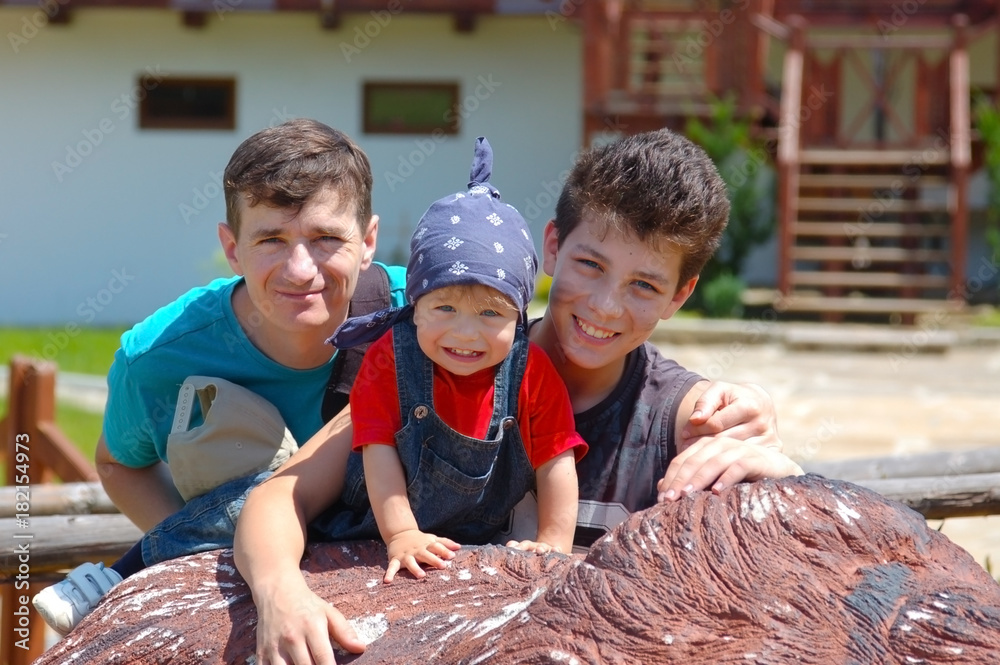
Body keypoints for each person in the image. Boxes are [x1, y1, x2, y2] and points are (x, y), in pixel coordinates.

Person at [233, 127, 801, 664]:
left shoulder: (687, 424)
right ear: (551, 247)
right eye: (590, 264)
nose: (605, 306)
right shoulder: (433, 365)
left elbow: (767, 590)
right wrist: (280, 590)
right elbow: (279, 497)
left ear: (681, 295)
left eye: (644, 285)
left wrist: (786, 477)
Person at [31, 118, 409, 636]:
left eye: (325, 238)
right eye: (272, 238)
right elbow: (119, 464)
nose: (300, 269)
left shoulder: (431, 320)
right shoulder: (158, 357)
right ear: (232, 248)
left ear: (368, 241)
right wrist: (209, 555)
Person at [314, 136, 588, 583]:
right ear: (415, 305)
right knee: (238, 508)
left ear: (518, 315)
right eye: (444, 309)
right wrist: (402, 533)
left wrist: (554, 541)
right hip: (373, 522)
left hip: (481, 536)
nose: (465, 332)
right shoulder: (391, 358)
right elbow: (377, 450)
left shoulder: (530, 371)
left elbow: (556, 459)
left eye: (490, 313)